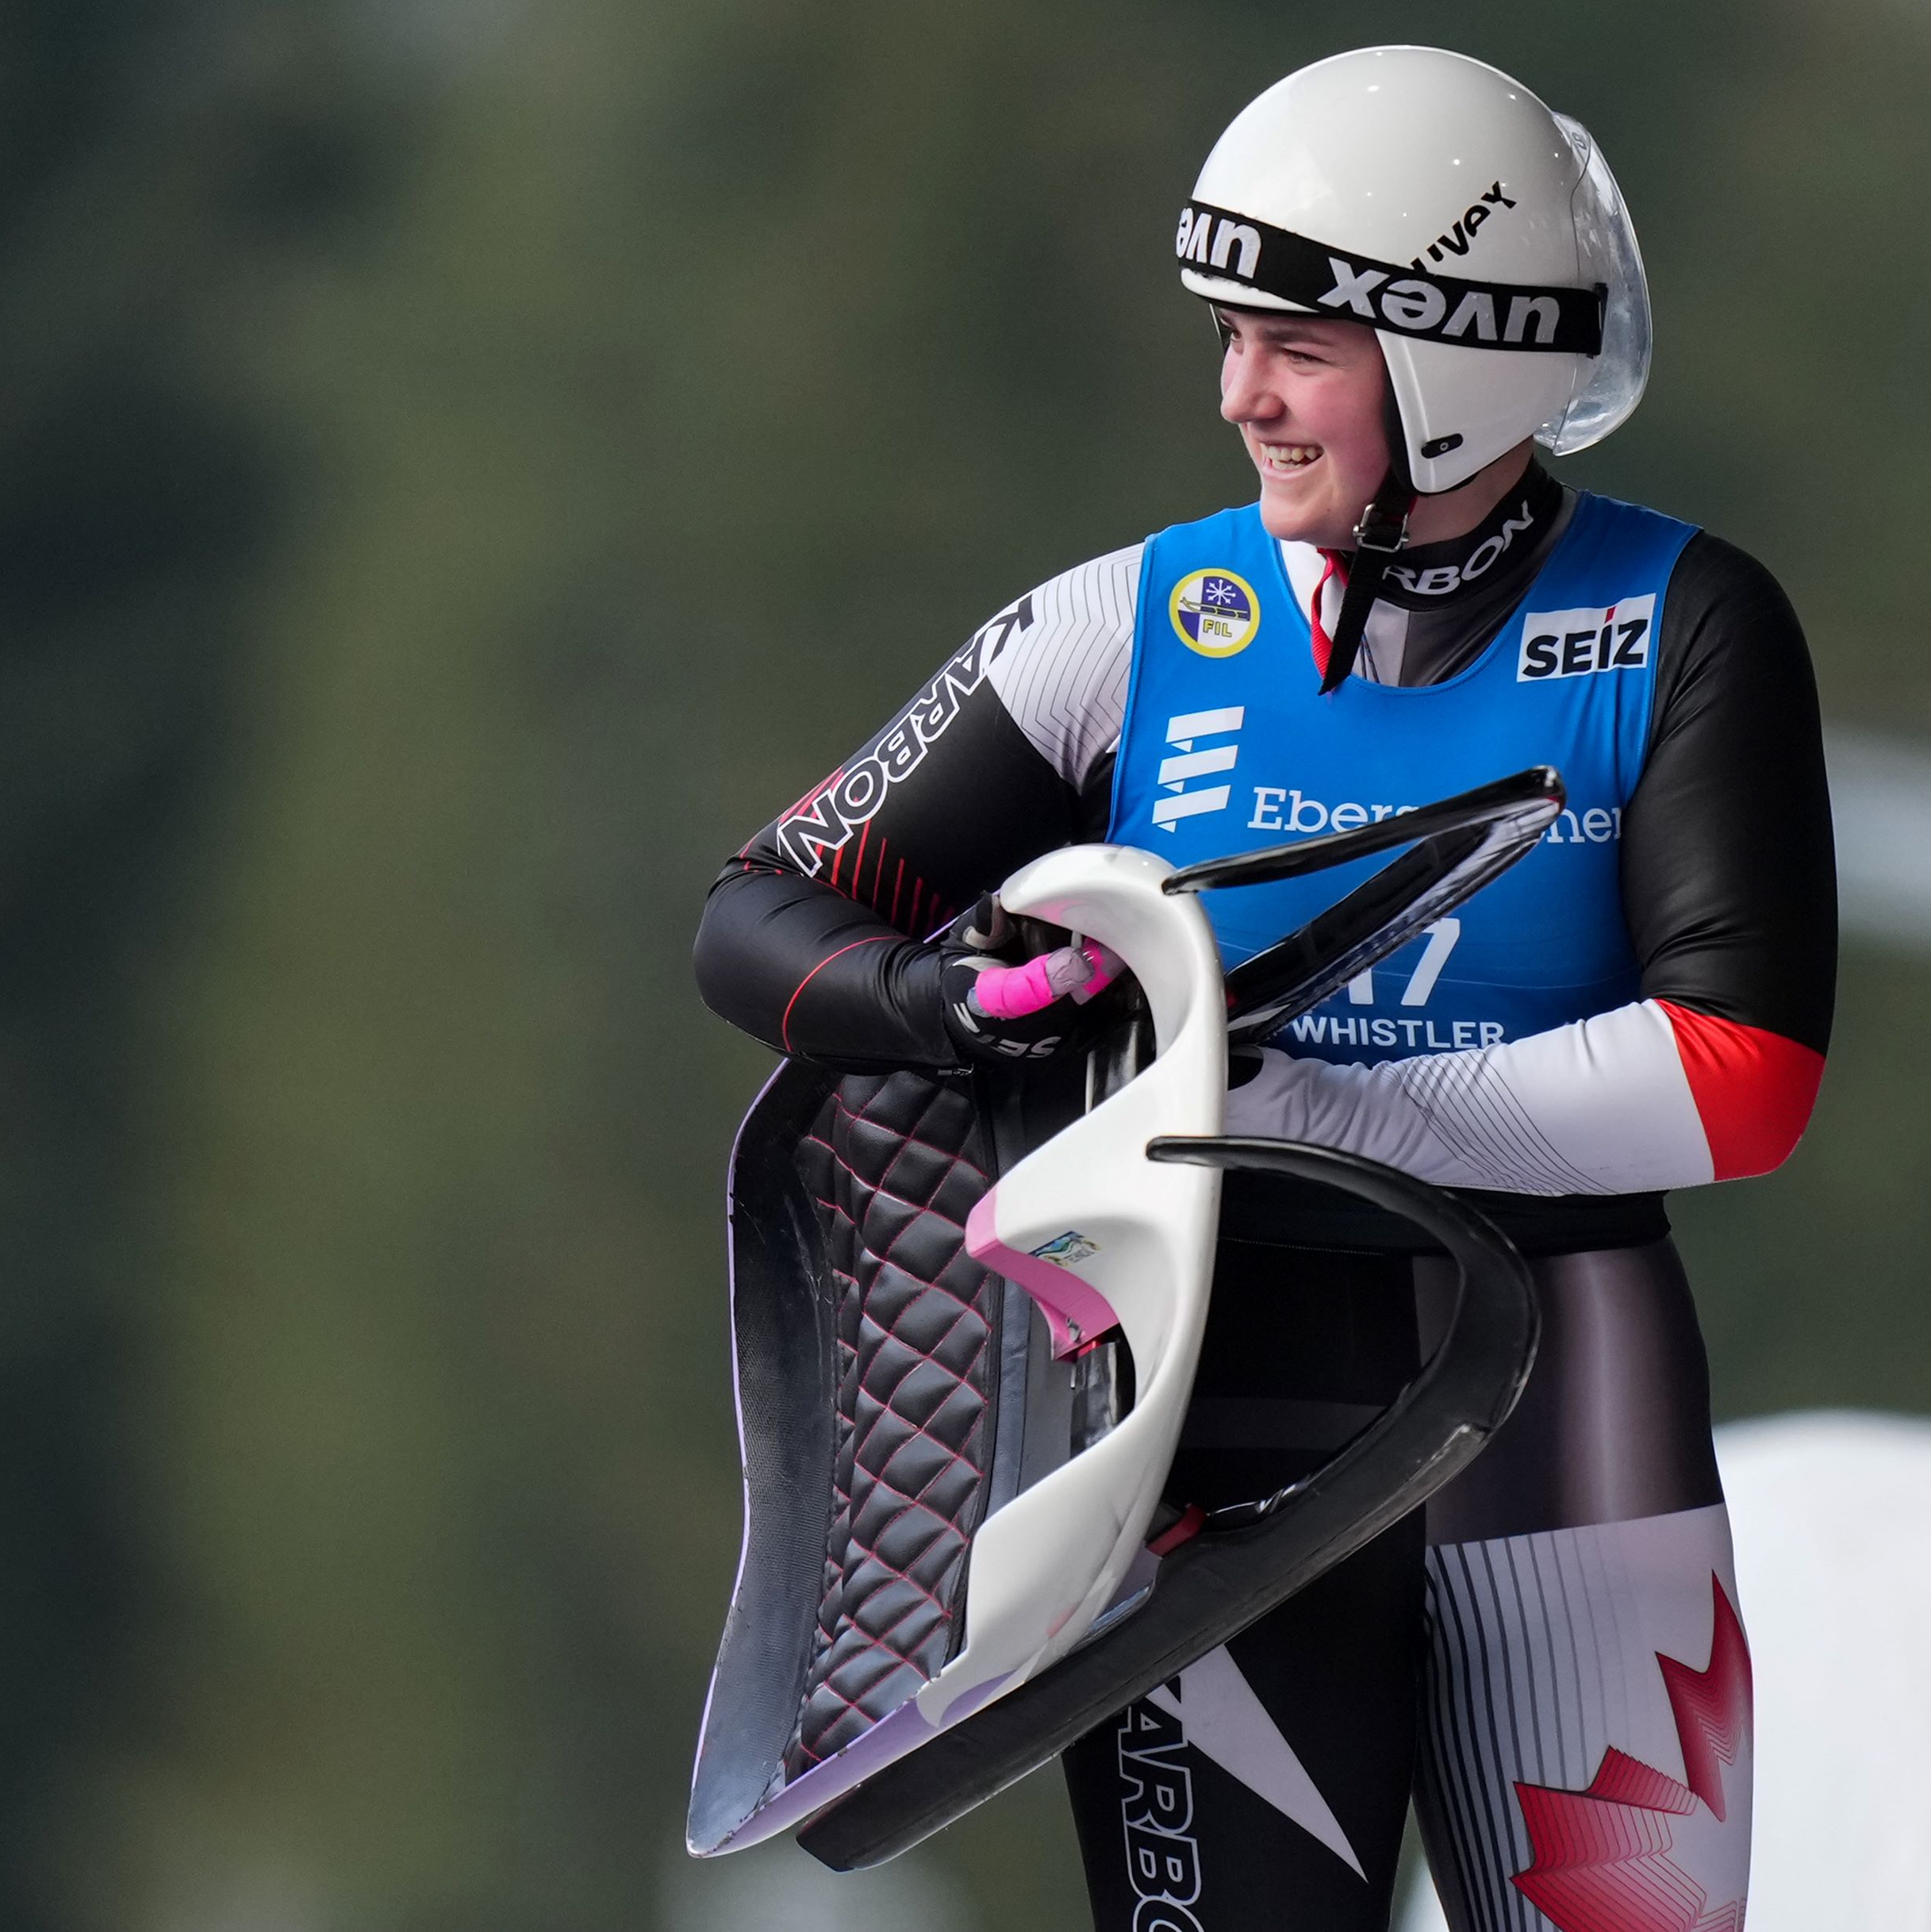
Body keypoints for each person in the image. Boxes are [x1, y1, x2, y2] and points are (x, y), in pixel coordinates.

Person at [693, 47, 1836, 1932]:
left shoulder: (1683, 620)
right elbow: (760, 908)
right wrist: (935, 1005)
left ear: (1454, 356)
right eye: (1231, 335)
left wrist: (1314, 1110)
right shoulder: (1131, 619)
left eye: (1293, 344)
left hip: (1562, 1396)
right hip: (1202, 1415)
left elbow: (1745, 1074)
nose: (1237, 394)